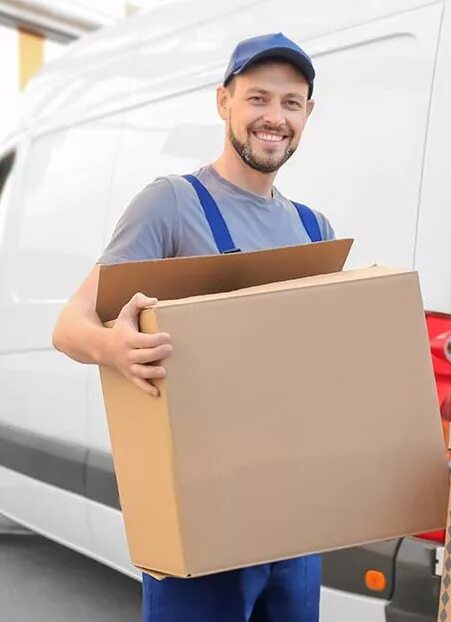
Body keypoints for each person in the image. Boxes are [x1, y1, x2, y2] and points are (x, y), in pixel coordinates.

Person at [52, 32, 332, 622]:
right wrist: (114, 348)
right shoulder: (172, 204)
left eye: (290, 102)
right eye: (257, 98)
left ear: (307, 113)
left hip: (294, 521)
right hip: (202, 515)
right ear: (223, 102)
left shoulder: (314, 228)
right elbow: (69, 325)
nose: (273, 118)